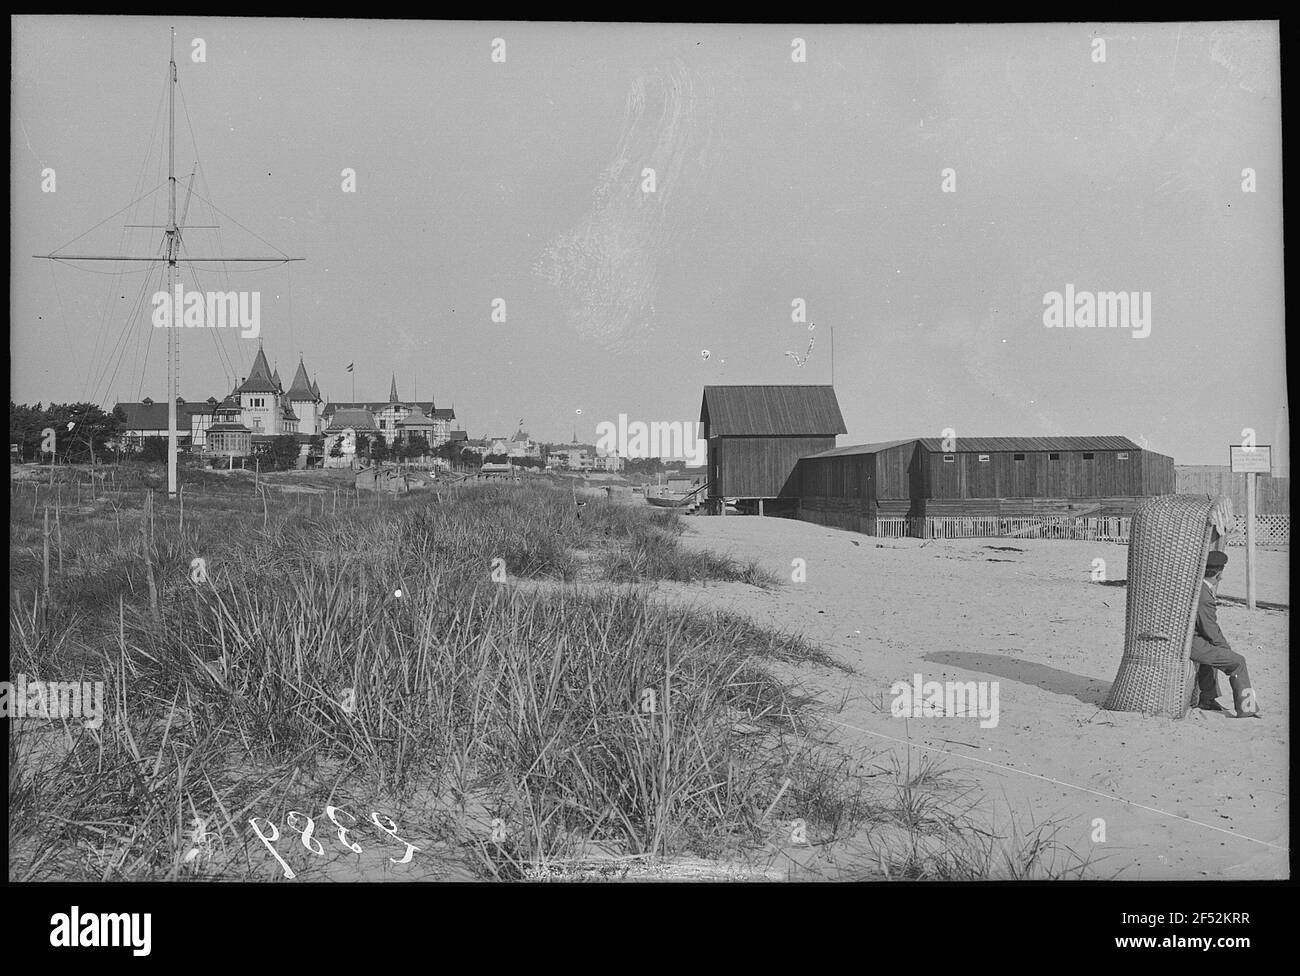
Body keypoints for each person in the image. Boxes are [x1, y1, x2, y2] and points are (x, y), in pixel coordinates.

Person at [1192, 551, 1262, 718]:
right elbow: (1210, 630)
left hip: (1193, 639)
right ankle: (1247, 709)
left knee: (1214, 653)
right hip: (1193, 643)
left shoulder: (1198, 587)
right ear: (1218, 573)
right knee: (1238, 662)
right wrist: (1226, 649)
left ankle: (1207, 698)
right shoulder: (1204, 596)